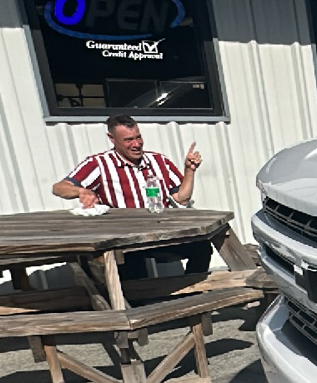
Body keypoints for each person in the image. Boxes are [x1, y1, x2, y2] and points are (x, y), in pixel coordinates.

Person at [52, 114, 209, 277]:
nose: (137, 144)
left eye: (138, 137)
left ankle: (191, 294)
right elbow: (59, 188)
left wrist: (190, 171)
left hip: (162, 234)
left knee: (202, 247)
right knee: (129, 262)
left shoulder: (159, 161)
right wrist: (80, 191)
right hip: (125, 240)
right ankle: (140, 300)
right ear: (112, 139)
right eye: (128, 140)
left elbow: (181, 198)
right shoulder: (99, 164)